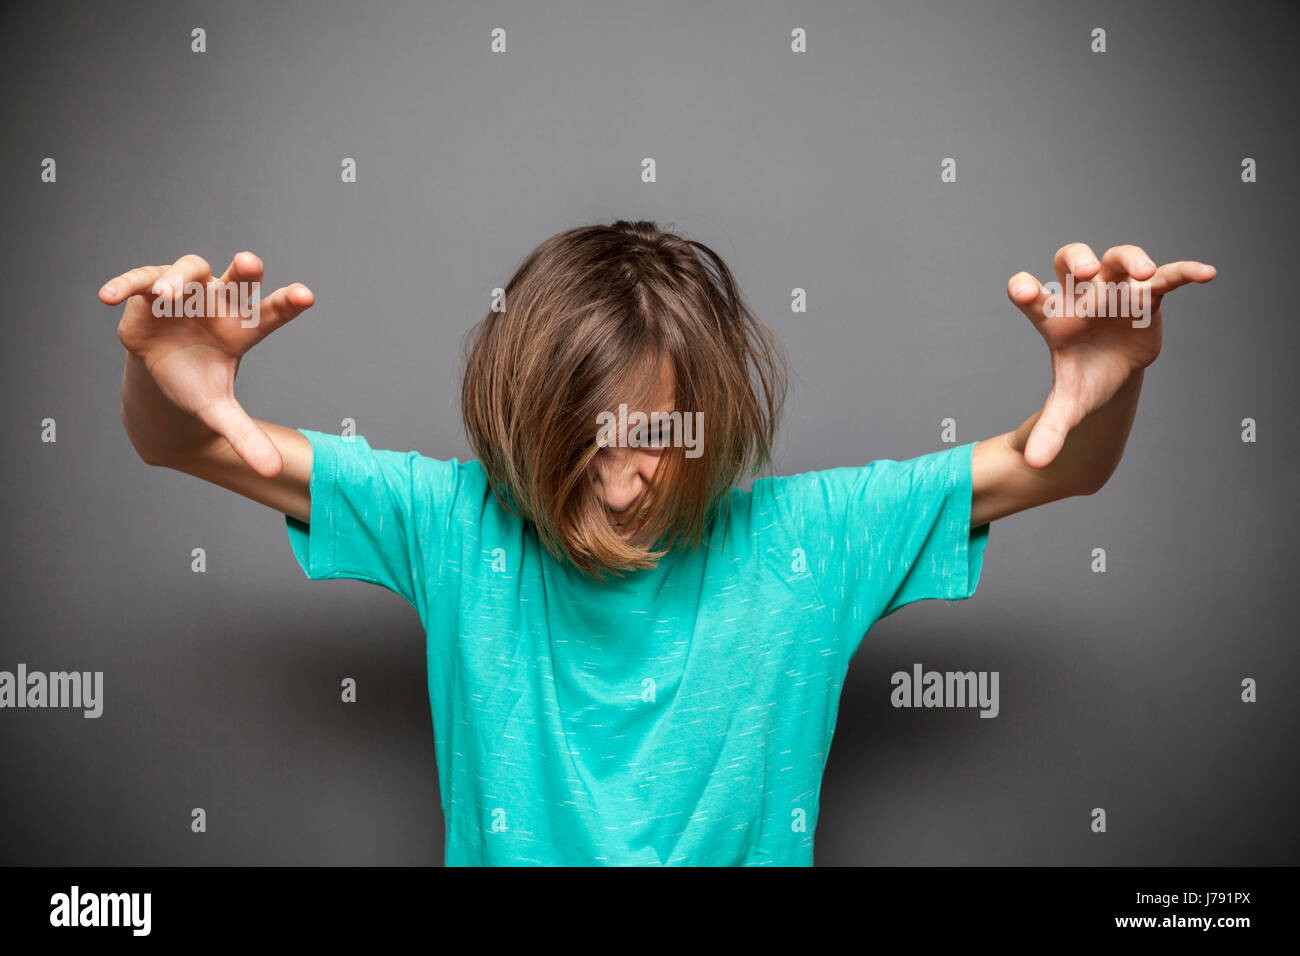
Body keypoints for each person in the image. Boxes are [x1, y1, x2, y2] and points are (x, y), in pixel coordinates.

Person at [99, 220, 1216, 865]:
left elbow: (1059, 460)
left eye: (657, 438)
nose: (626, 476)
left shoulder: (810, 541)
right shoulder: (453, 525)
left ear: (711, 422)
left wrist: (1105, 383)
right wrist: (169, 382)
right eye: (586, 438)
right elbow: (190, 445)